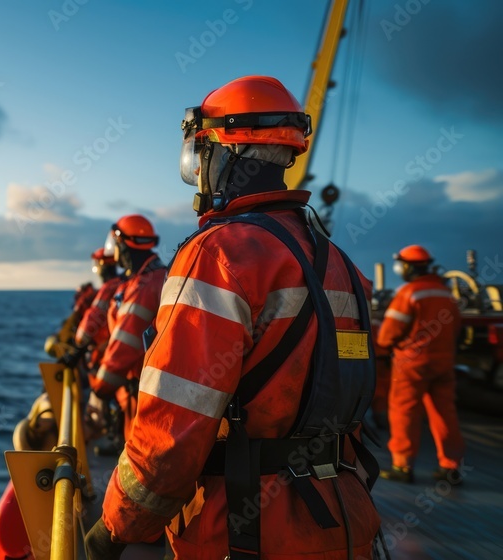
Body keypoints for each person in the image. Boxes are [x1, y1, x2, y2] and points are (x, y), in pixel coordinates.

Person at [85, 76, 380, 560]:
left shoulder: (218, 255)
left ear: (221, 154)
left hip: (247, 530)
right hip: (347, 520)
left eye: (200, 155)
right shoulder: (341, 264)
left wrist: (114, 529)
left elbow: (171, 433)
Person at [377, 245, 464, 484]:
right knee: (444, 413)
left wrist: (384, 347)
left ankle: (402, 466)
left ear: (408, 267)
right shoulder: (446, 294)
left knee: (404, 412)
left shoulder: (409, 293)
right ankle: (450, 467)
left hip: (412, 364)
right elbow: (456, 327)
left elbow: (388, 334)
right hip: (443, 363)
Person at [86, 215, 165, 443]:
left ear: (122, 244)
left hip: (142, 389)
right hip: (143, 385)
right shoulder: (151, 277)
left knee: (136, 448)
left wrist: (100, 390)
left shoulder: (144, 286)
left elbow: (125, 343)